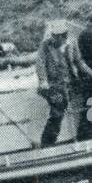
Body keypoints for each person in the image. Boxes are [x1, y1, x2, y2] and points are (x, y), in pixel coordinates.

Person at [35, 19, 76, 147]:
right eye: (57, 36)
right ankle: (47, 143)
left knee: (62, 111)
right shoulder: (45, 46)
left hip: (66, 83)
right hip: (53, 86)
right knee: (57, 112)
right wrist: (43, 80)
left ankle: (85, 136)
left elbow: (76, 61)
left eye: (63, 35)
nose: (61, 38)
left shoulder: (69, 45)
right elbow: (40, 63)